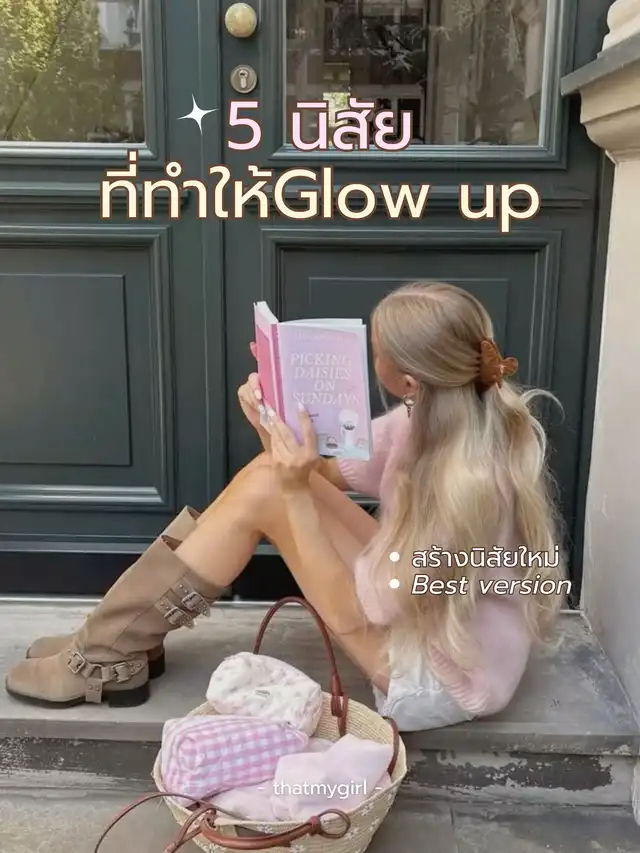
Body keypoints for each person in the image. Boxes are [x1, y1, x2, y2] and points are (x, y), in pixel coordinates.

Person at [5, 282, 565, 731]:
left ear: (407, 380)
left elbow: (348, 613)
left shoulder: (465, 487)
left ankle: (110, 648)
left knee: (279, 490)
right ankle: (119, 638)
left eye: (375, 352)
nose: (369, 360)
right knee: (269, 478)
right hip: (428, 610)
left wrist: (294, 491)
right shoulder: (439, 414)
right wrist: (271, 416)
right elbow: (318, 471)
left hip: (439, 675)